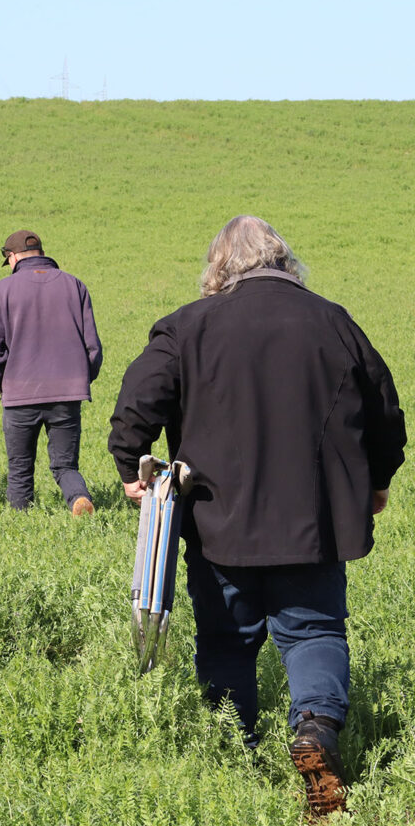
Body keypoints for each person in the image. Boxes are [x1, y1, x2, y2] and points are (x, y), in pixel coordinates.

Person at [108, 215, 405, 818]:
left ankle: (235, 752)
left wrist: (129, 468)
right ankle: (316, 730)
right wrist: (376, 483)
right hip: (315, 522)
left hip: (218, 522)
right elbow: (386, 414)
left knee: (226, 641)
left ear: (219, 267)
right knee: (314, 632)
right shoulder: (334, 321)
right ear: (285, 261)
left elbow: (137, 402)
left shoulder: (186, 326)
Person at [0, 229, 103, 514]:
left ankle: (21, 524)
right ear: (42, 253)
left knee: (20, 469)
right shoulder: (75, 286)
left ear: (12, 258)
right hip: (67, 395)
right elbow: (92, 348)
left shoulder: (3, 290)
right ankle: (79, 500)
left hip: (20, 393)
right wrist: (79, 380)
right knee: (65, 465)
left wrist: (5, 381)